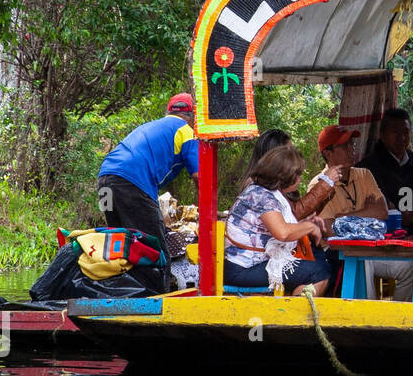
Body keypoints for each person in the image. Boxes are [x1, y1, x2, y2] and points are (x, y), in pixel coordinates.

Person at [95, 92, 201, 292]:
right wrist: (206, 211)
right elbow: (198, 176)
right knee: (155, 249)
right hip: (130, 182)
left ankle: (121, 294)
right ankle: (158, 301)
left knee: (122, 244)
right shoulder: (186, 131)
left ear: (168, 111)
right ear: (193, 116)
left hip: (105, 181)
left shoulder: (152, 126)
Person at [309, 125, 413, 300]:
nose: (352, 149)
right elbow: (329, 230)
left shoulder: (364, 175)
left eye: (352, 144)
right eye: (345, 146)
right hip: (339, 255)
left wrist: (342, 218)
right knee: (362, 261)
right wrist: (367, 212)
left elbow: (382, 212)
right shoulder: (318, 185)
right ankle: (369, 321)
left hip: (372, 250)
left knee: (410, 267)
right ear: (328, 153)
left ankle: (394, 318)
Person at [223, 144, 332, 296]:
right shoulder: (262, 196)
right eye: (298, 174)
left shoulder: (260, 191)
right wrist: (309, 227)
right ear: (286, 177)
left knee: (318, 267)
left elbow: (277, 227)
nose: (300, 179)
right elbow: (282, 233)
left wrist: (305, 224)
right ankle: (292, 318)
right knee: (318, 274)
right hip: (243, 269)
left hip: (244, 265)